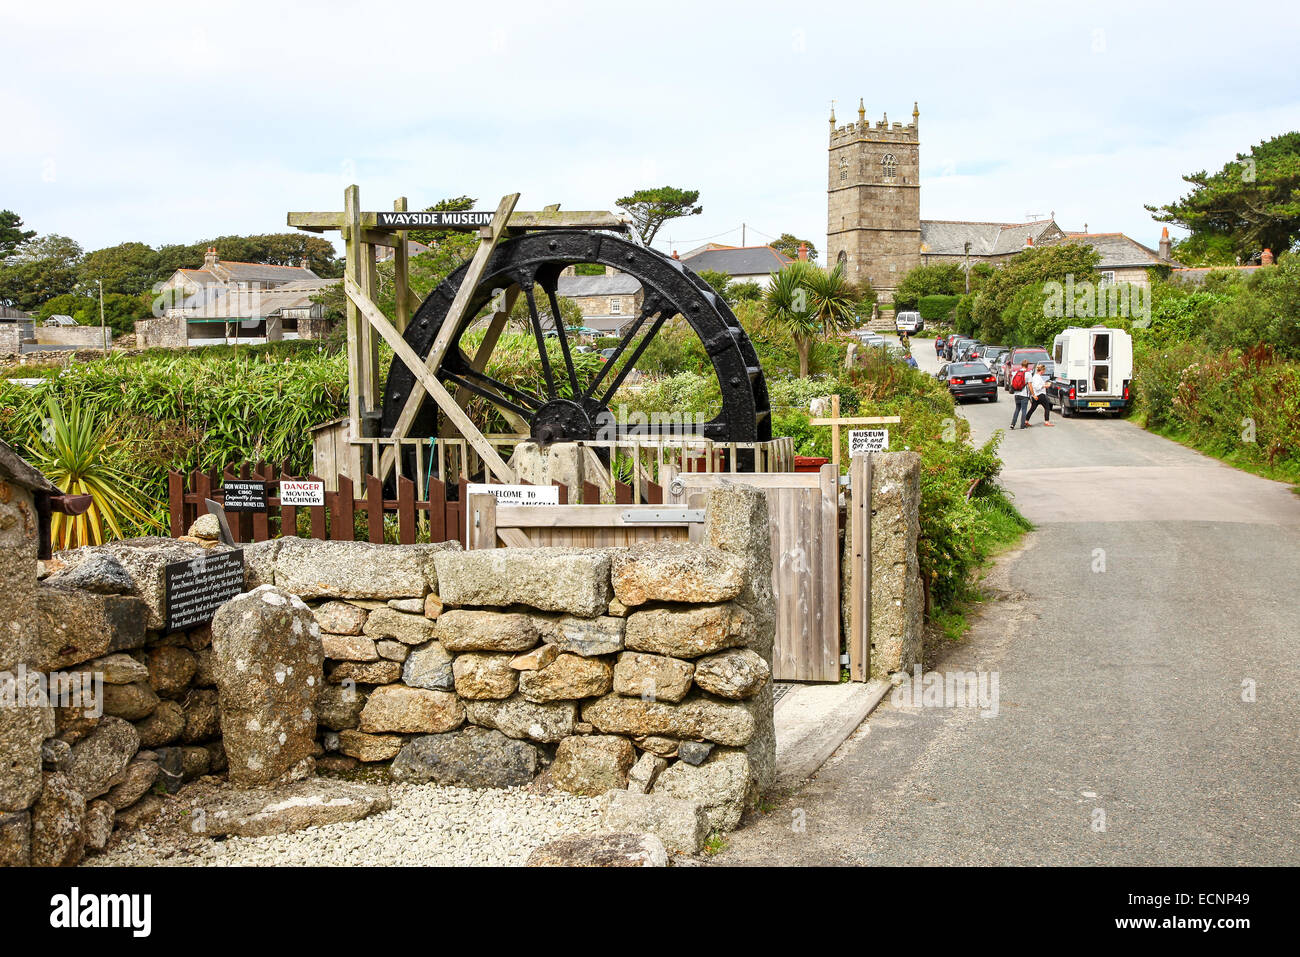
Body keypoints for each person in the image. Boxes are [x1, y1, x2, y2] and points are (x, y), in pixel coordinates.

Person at [1024, 363, 1054, 427]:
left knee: (1032, 408)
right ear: (1042, 370)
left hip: (1035, 395)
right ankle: (1047, 421)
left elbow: (1037, 385)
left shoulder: (1035, 376)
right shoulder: (1037, 377)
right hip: (1040, 394)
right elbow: (1037, 387)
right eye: (1044, 370)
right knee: (1047, 407)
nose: (1044, 372)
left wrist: (1045, 383)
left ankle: (1026, 420)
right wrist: (1045, 386)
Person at [1010, 360, 1031, 429]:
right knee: (1024, 410)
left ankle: (1013, 424)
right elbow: (1030, 385)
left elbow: (1012, 383)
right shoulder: (1028, 374)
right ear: (1027, 366)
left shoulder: (1016, 373)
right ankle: (1022, 425)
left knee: (1017, 409)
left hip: (1017, 394)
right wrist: (1033, 394)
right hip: (1024, 394)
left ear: (1021, 365)